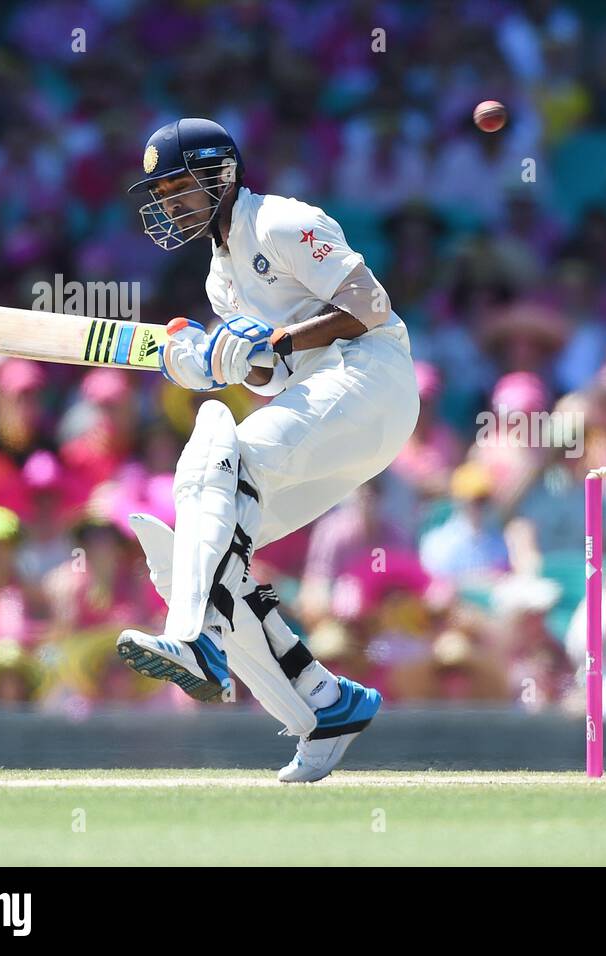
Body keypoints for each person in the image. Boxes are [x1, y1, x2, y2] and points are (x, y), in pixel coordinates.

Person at [116, 118, 419, 783]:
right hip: (332, 407)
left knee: (218, 455)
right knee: (197, 548)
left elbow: (370, 304)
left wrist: (274, 341)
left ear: (221, 174)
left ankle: (196, 642)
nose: (170, 205)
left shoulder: (282, 222)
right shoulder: (220, 282)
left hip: (373, 377)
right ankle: (321, 703)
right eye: (161, 195)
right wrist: (222, 363)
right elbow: (271, 377)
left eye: (179, 188)